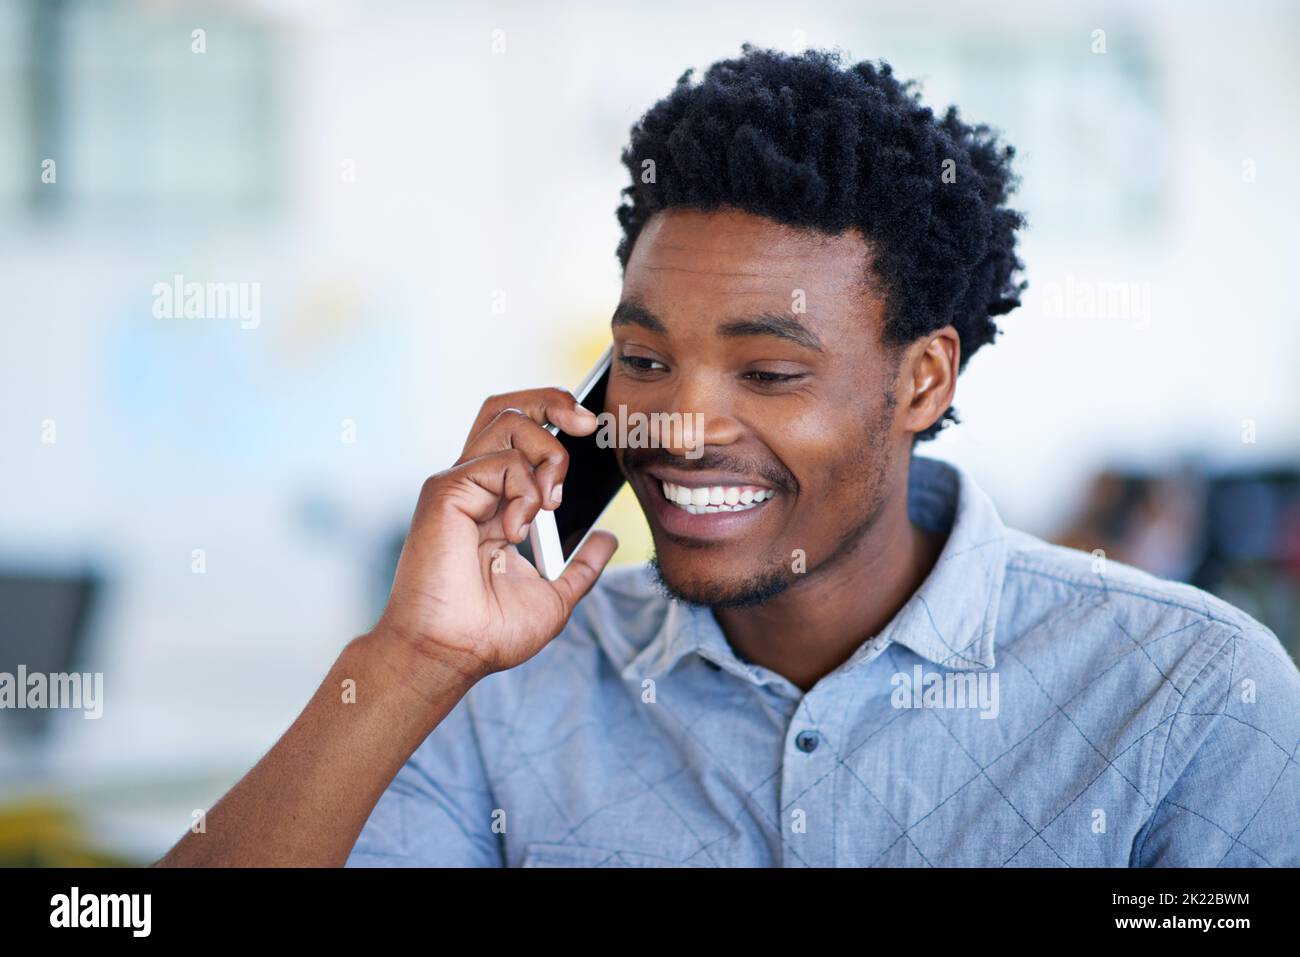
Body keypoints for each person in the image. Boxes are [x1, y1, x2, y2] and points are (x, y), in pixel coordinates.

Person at [155, 44, 1300, 868]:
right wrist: (411, 660)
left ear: (924, 380)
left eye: (768, 372)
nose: (677, 426)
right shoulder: (503, 697)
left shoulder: (1186, 696)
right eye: (644, 361)